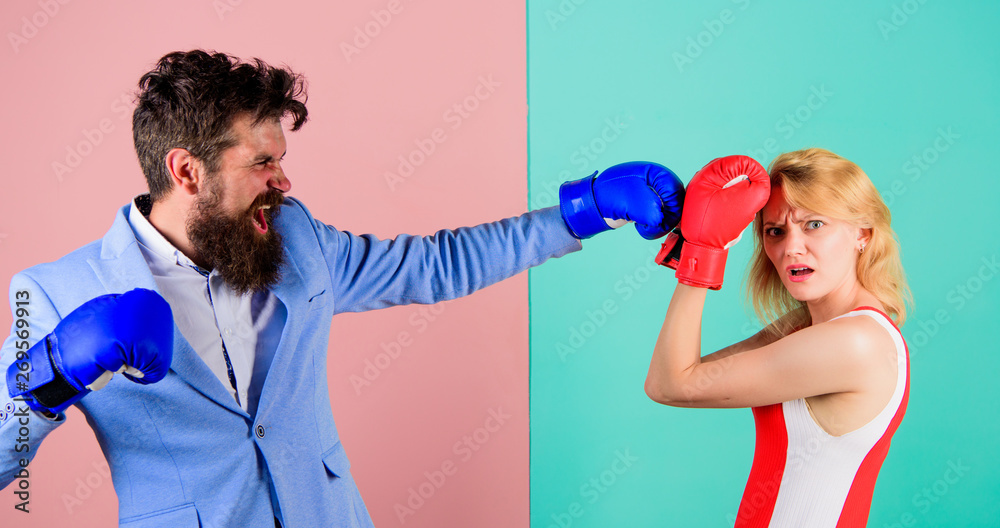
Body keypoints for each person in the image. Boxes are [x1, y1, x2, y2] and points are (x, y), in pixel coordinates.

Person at [0, 50, 685, 527]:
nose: (284, 182)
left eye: (283, 160)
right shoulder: (53, 291)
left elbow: (436, 264)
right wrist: (49, 377)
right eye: (263, 162)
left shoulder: (294, 238)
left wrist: (585, 209)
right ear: (186, 171)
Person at [644, 150, 911, 527]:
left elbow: (672, 385)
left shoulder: (854, 342)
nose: (791, 247)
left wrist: (704, 252)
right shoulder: (808, 327)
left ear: (862, 234)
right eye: (775, 231)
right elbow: (679, 375)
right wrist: (695, 240)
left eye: (814, 224)